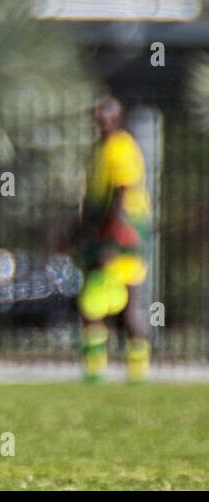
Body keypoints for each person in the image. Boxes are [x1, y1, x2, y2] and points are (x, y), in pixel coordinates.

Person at [69, 97, 151, 383]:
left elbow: (121, 192)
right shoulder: (100, 150)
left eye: (108, 115)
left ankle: (137, 368)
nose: (102, 120)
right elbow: (94, 199)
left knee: (129, 305)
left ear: (120, 118)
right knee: (92, 303)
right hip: (103, 232)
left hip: (122, 235)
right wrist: (76, 232)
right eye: (98, 115)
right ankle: (94, 368)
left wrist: (110, 239)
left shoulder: (121, 148)